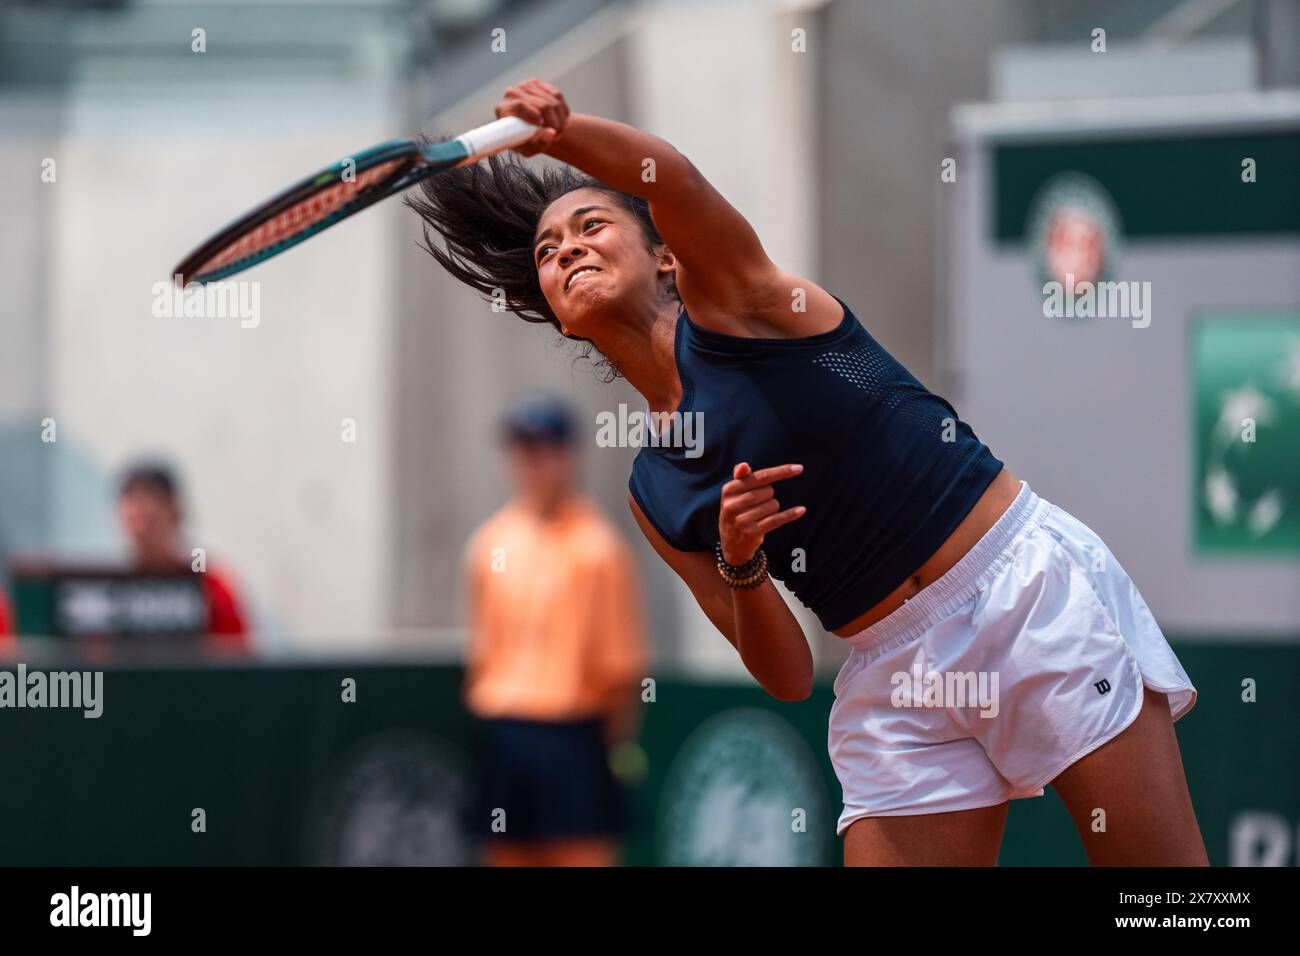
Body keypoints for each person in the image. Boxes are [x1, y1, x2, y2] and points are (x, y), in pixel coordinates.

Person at [408, 80, 1206, 866]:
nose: (567, 250)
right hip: (893, 676)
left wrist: (561, 133)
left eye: (589, 226)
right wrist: (743, 562)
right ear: (550, 304)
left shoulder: (738, 300)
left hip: (1020, 594)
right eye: (548, 253)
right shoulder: (655, 491)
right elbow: (787, 675)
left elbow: (673, 178)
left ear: (664, 256)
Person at [461, 393, 648, 867]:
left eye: (542, 449)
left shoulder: (599, 549)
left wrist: (615, 750)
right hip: (506, 736)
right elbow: (483, 649)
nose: (531, 462)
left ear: (568, 456)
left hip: (575, 739)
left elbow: (619, 670)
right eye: (521, 449)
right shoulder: (488, 545)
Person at [118, 462, 250, 650]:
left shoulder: (210, 587)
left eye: (150, 514)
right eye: (134, 512)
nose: (142, 523)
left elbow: (237, 657)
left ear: (176, 513)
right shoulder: (101, 591)